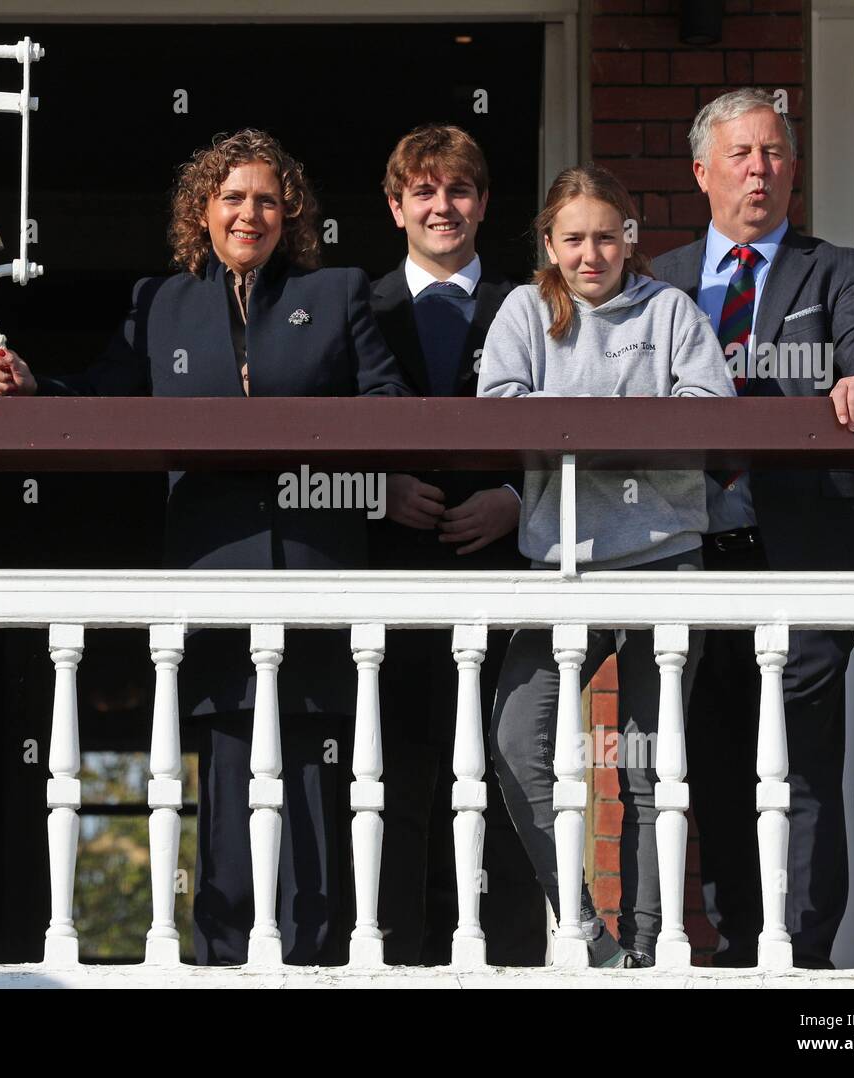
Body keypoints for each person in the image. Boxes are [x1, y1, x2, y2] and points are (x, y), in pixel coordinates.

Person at [0, 129, 411, 966]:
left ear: (290, 213)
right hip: (213, 572)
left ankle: (318, 964)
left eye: (265, 198)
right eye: (231, 197)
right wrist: (36, 390)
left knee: (319, 787)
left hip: (317, 570)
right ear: (201, 212)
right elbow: (107, 396)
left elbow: (389, 404)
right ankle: (223, 965)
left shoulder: (338, 294)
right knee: (224, 784)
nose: (248, 212)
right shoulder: (160, 303)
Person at [650, 88, 854, 969]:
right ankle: (733, 949)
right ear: (702, 172)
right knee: (715, 771)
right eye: (740, 155)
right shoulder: (662, 281)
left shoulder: (836, 271)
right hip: (690, 560)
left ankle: (800, 959)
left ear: (793, 170)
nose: (758, 169)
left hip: (801, 556)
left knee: (801, 772)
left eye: (773, 154)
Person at [477, 164, 736, 966]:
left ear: (631, 238)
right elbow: (498, 414)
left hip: (665, 560)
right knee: (520, 741)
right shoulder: (525, 310)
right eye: (572, 239)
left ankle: (652, 948)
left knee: (651, 765)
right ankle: (585, 927)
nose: (591, 253)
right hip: (564, 567)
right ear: (548, 246)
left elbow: (710, 415)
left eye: (606, 236)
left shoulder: (670, 312)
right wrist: (620, 424)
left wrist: (578, 432)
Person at [368, 123, 546, 965]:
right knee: (392, 782)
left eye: (461, 190)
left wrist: (517, 501)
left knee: (503, 777)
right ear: (396, 204)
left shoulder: (536, 304)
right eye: (426, 192)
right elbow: (317, 436)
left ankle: (509, 962)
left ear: (483, 203)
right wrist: (376, 493)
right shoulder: (353, 306)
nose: (445, 207)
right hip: (384, 588)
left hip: (505, 579)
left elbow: (572, 425)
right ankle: (392, 962)